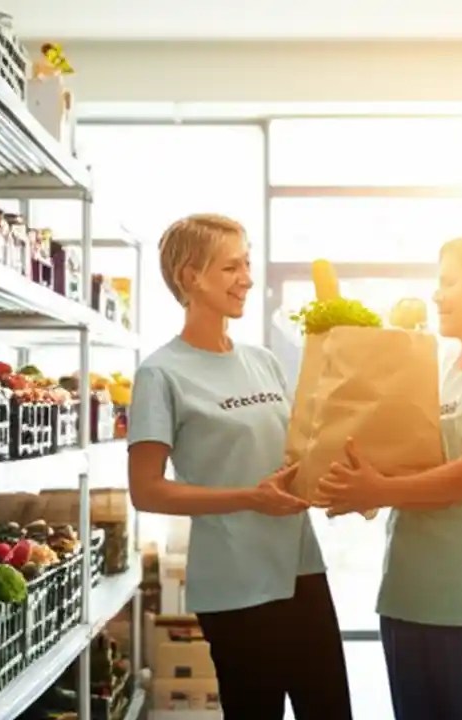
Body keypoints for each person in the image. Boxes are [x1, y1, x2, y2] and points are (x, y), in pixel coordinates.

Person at [127, 213, 353, 720]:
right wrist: (250, 498)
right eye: (232, 267)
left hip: (300, 569)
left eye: (247, 263)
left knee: (332, 711)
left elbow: (293, 455)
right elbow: (146, 490)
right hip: (235, 584)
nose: (247, 278)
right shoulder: (160, 373)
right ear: (190, 277)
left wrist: (350, 479)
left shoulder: (264, 361)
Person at [317, 233, 462, 720]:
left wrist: (382, 488)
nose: (437, 295)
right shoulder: (429, 368)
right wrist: (355, 483)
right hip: (408, 596)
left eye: (449, 282)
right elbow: (396, 455)